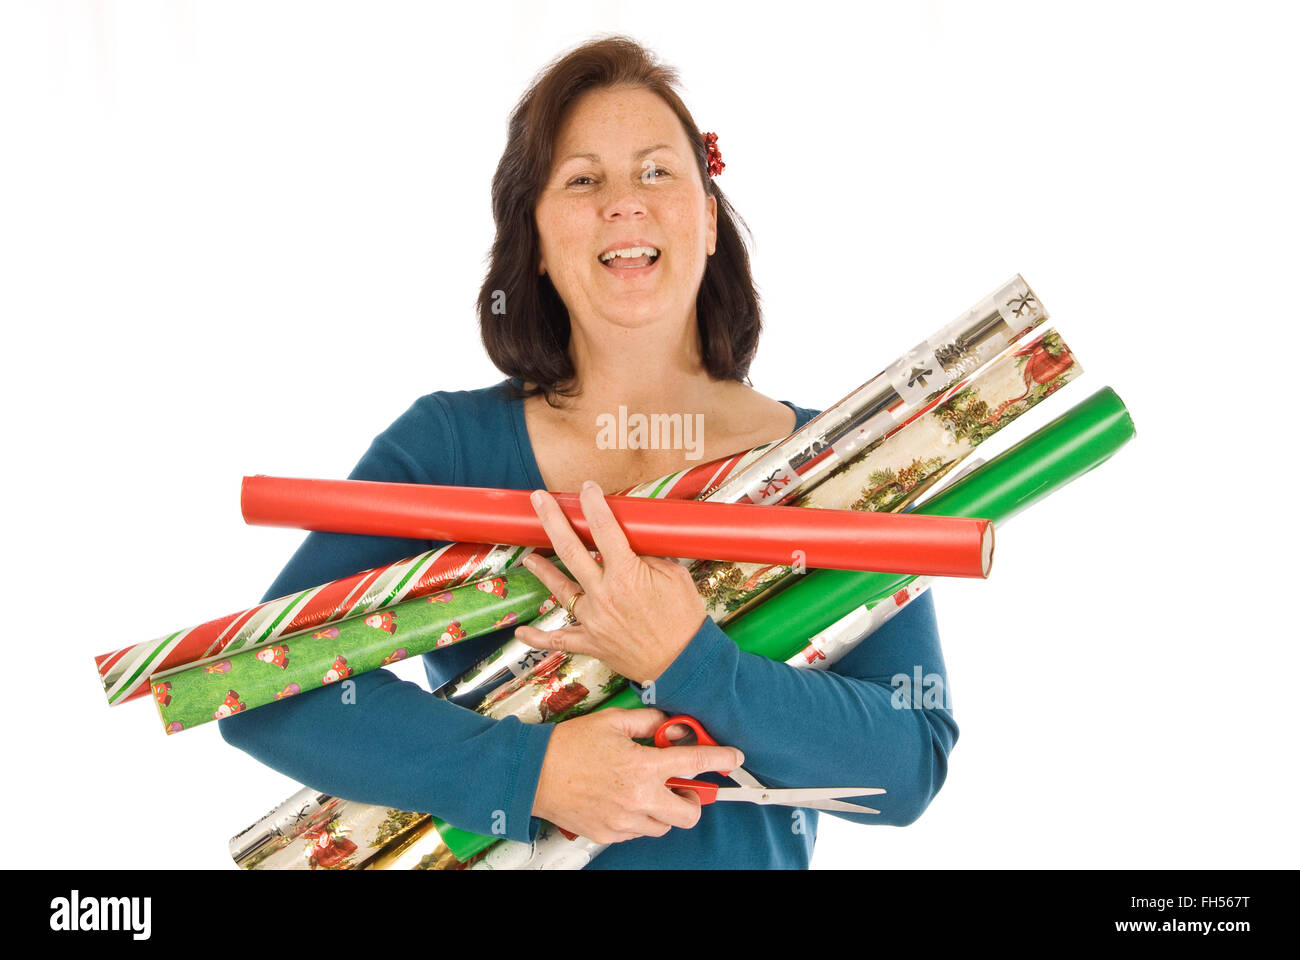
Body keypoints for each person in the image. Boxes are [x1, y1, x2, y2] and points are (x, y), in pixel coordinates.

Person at [219, 35, 957, 869]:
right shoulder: (449, 450)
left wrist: (690, 663)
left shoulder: (838, 460)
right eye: (582, 180)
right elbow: (257, 689)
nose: (624, 203)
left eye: (656, 171)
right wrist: (533, 773)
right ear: (534, 240)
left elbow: (908, 769)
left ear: (709, 219)